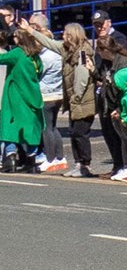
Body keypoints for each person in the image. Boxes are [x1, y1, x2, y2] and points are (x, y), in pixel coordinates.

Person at [25, 21, 95, 177]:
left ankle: (85, 165)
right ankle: (78, 164)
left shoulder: (83, 53)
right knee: (73, 132)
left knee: (80, 133)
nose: (62, 35)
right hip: (73, 100)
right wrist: (30, 30)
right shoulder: (67, 50)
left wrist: (76, 95)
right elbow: (49, 43)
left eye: (64, 32)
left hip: (82, 100)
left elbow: (82, 77)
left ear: (71, 35)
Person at [95, 36, 127, 182]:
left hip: (124, 107)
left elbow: (123, 90)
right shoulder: (109, 62)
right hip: (118, 106)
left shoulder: (124, 64)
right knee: (124, 140)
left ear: (105, 50)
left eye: (99, 51)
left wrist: (122, 113)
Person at [91, 9, 127, 177]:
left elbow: (122, 62)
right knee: (107, 130)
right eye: (96, 25)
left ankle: (124, 165)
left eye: (101, 24)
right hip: (103, 91)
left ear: (109, 22)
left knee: (118, 132)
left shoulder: (119, 39)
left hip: (114, 91)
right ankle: (117, 165)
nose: (99, 28)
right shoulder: (99, 41)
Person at [24, 13, 66, 172]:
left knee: (46, 128)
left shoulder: (45, 57)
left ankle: (50, 158)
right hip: (58, 93)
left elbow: (37, 74)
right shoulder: (57, 51)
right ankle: (60, 157)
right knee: (54, 127)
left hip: (46, 94)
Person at [0, 29, 44, 172]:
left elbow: (2, 59)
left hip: (16, 96)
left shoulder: (18, 53)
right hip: (32, 96)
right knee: (30, 129)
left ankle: (11, 158)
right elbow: (40, 72)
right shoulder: (35, 57)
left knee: (10, 126)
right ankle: (31, 160)